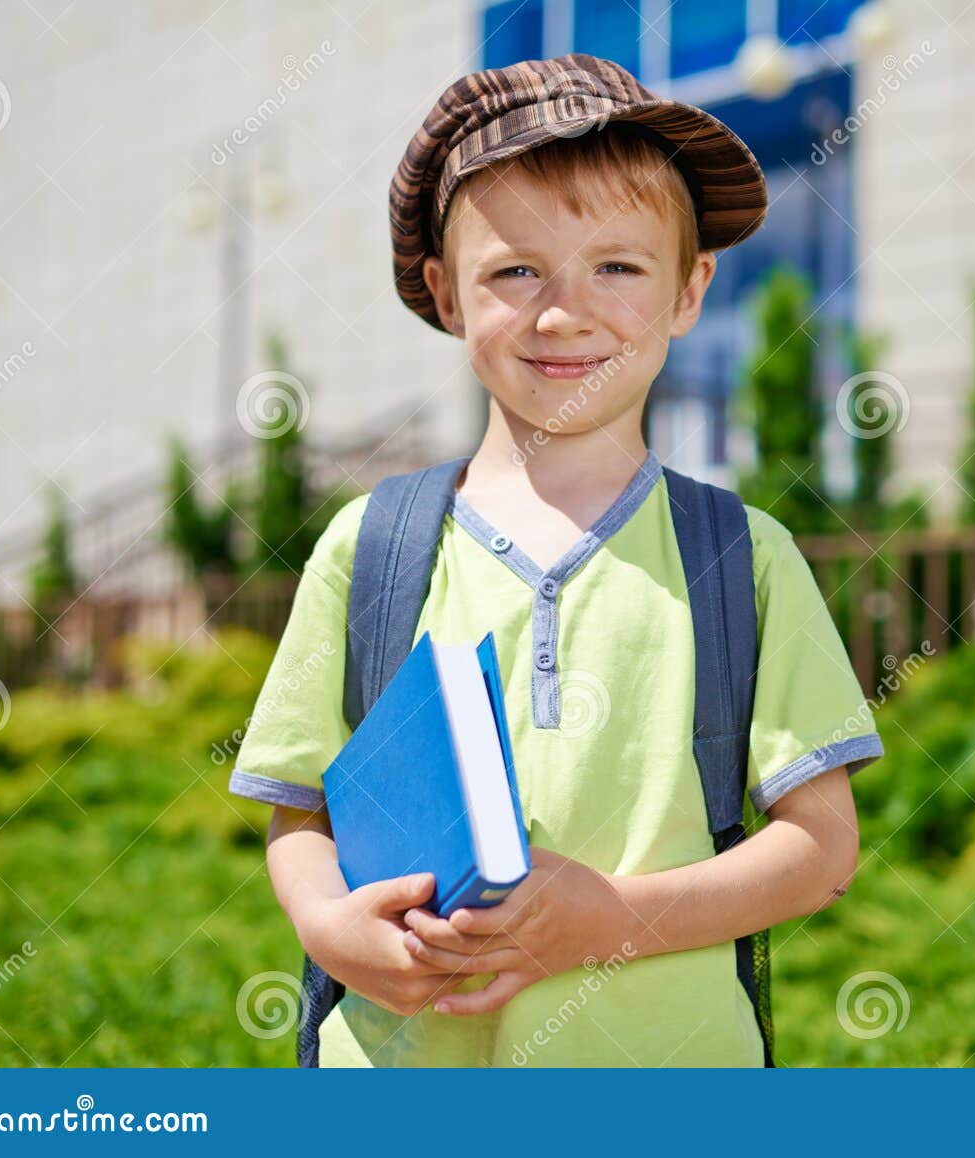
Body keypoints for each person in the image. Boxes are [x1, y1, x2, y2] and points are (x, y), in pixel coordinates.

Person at [227, 53, 884, 1067]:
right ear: (447, 295)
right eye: (515, 270)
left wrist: (612, 920)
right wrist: (330, 932)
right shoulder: (370, 547)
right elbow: (297, 811)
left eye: (617, 267)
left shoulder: (742, 558)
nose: (563, 312)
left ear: (689, 289)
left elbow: (820, 851)